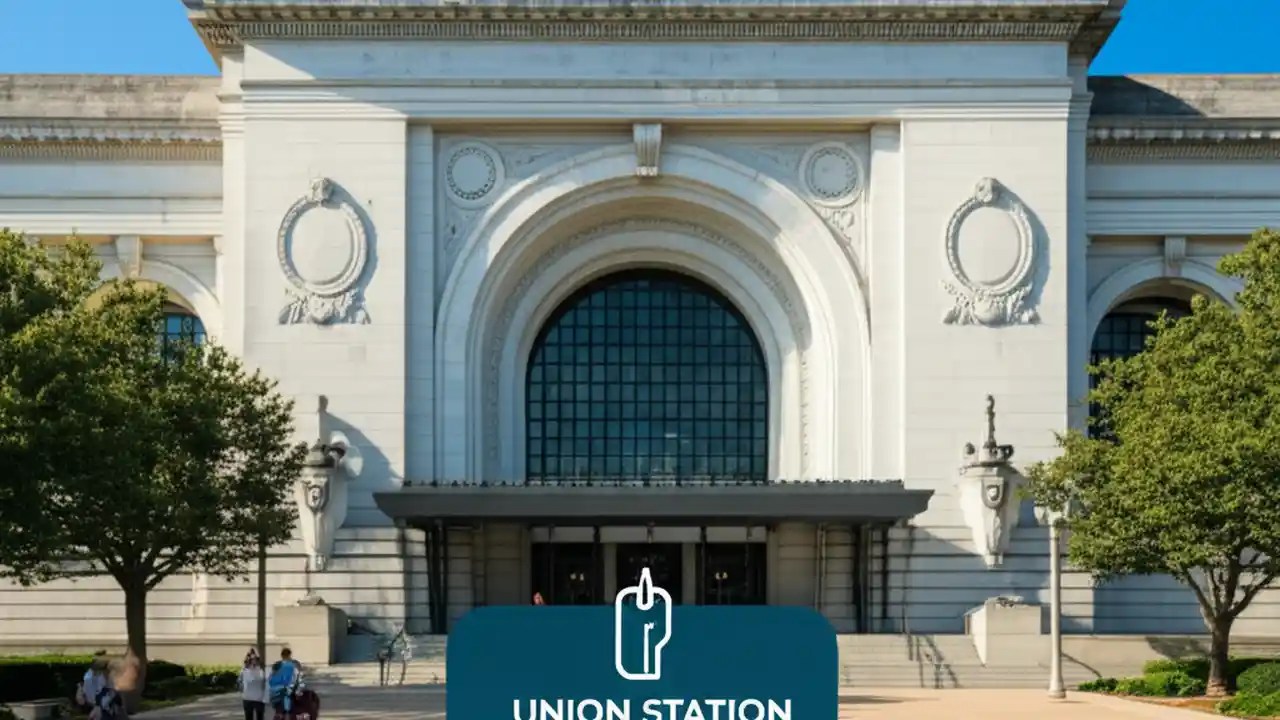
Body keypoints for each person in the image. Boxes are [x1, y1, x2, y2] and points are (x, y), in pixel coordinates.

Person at [268, 648, 302, 720]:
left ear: (281, 656)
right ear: (290, 655)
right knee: (289, 713)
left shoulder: (276, 665)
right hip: (288, 692)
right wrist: (298, 691)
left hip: (276, 692)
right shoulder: (294, 665)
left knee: (279, 712)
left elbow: (270, 679)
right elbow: (297, 679)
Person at [239, 649, 268, 720]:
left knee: (260, 717)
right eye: (252, 659)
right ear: (248, 660)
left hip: (259, 698)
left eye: (255, 659)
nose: (253, 661)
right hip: (247, 698)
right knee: (249, 717)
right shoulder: (244, 671)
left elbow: (265, 684)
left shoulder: (261, 671)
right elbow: (240, 684)